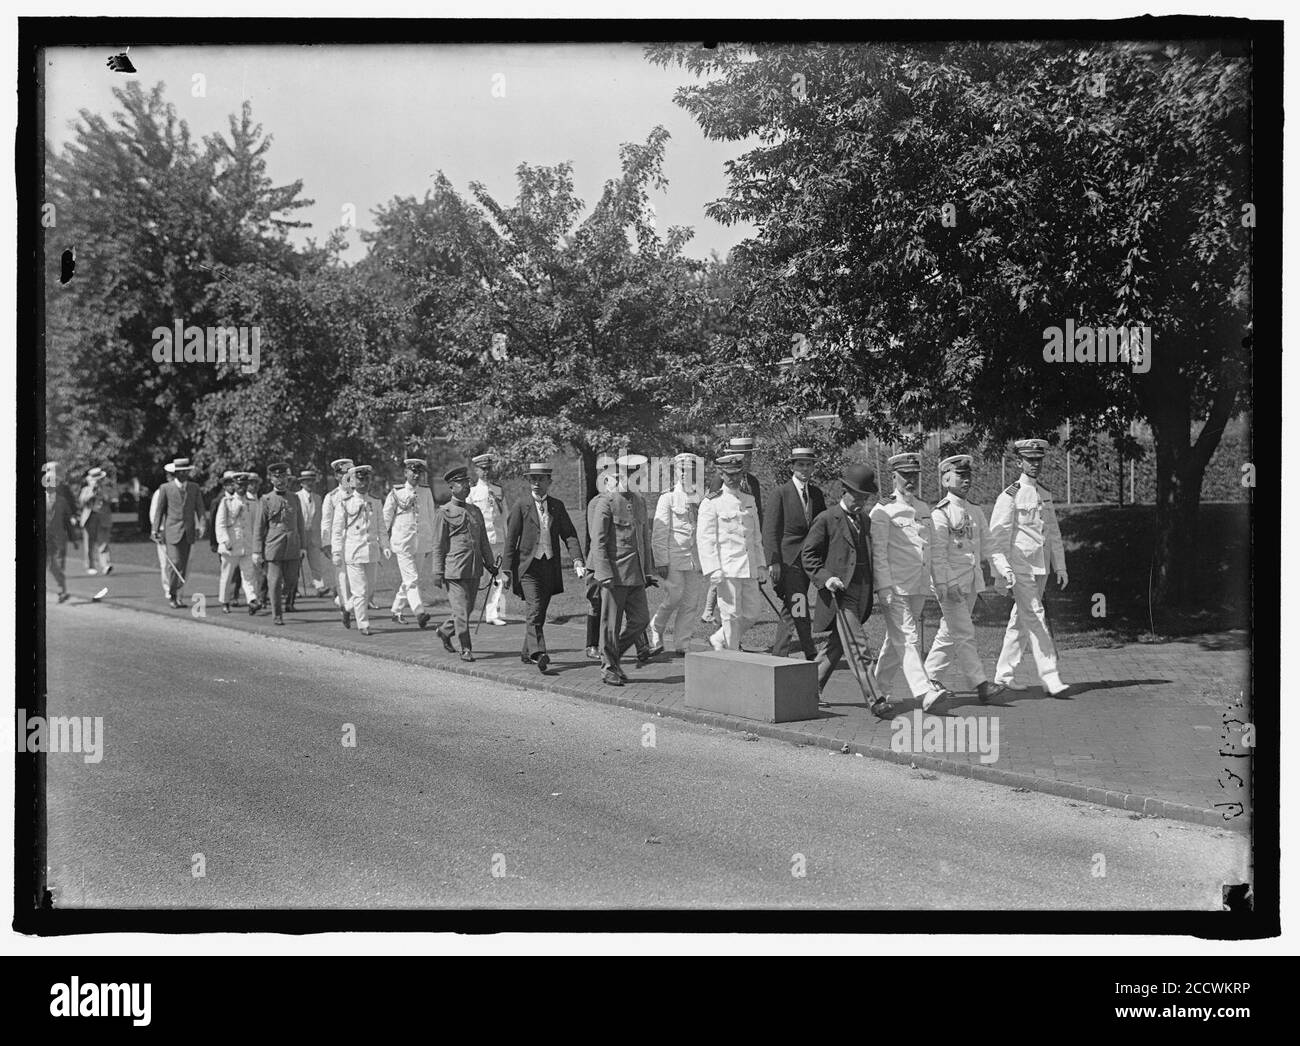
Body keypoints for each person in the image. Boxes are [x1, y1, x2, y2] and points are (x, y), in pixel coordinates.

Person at [801, 463, 893, 716]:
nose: (861, 502)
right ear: (844, 491)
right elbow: (808, 556)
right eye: (857, 496)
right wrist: (826, 578)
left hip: (862, 591)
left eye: (865, 497)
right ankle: (875, 699)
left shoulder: (864, 519)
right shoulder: (827, 519)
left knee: (838, 645)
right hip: (840, 593)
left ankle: (806, 689)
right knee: (857, 645)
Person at [989, 438, 1070, 697]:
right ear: (1019, 462)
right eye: (1030, 459)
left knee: (1020, 619)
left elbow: (1053, 532)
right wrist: (1002, 569)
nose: (1035, 464)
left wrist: (1061, 566)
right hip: (1020, 564)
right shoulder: (1009, 495)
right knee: (1035, 613)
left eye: (1038, 459)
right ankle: (1050, 676)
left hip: (1041, 565)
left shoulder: (1044, 494)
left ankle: (1004, 675)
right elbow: (998, 536)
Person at [870, 452, 950, 711]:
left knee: (896, 641)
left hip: (918, 585)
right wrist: (883, 587)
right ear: (893, 477)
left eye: (914, 475)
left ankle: (877, 688)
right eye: (905, 476)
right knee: (908, 638)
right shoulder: (883, 510)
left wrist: (939, 581)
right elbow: (878, 553)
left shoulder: (924, 508)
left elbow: (933, 549)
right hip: (895, 587)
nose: (910, 481)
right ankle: (924, 691)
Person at [925, 455, 1005, 703]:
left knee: (950, 631)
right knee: (964, 632)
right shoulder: (941, 513)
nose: (966, 480)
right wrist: (947, 584)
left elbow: (990, 545)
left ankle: (929, 677)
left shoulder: (975, 511)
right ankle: (980, 684)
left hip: (970, 581)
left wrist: (1002, 568)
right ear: (946, 478)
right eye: (960, 475)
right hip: (950, 583)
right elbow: (937, 554)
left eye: (968, 475)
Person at [502, 462, 584, 673]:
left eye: (540, 479)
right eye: (532, 479)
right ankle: (539, 653)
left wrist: (577, 560)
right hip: (528, 567)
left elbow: (569, 534)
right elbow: (511, 541)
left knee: (539, 611)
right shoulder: (521, 505)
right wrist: (506, 571)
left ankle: (526, 651)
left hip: (549, 566)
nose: (536, 484)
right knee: (535, 608)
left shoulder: (557, 506)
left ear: (549, 481)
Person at [588, 455, 656, 685]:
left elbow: (643, 540)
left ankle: (612, 658)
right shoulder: (606, 503)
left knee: (641, 620)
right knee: (610, 625)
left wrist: (647, 571)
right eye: (629, 475)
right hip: (614, 575)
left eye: (638, 475)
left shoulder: (639, 502)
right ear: (620, 474)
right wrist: (604, 573)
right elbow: (597, 542)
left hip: (636, 575)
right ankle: (608, 668)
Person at [695, 452, 768, 652]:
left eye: (737, 474)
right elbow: (705, 539)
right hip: (726, 568)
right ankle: (732, 653)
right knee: (730, 614)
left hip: (749, 566)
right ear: (721, 474)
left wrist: (761, 564)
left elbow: (755, 536)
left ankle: (719, 639)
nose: (734, 478)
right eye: (729, 474)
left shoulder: (748, 499)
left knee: (752, 613)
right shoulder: (711, 503)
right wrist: (713, 569)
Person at [763, 446, 826, 660]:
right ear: (792, 466)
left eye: (809, 465)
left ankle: (781, 653)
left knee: (793, 606)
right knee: (798, 602)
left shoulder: (816, 494)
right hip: (788, 562)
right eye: (800, 465)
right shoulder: (780, 493)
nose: (805, 469)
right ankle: (809, 652)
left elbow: (821, 527)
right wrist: (774, 562)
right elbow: (770, 530)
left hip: (809, 560)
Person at [431, 465, 497, 662]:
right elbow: (438, 545)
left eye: (467, 482)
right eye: (461, 483)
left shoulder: (475, 511)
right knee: (461, 612)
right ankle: (466, 648)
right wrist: (437, 571)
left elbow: (483, 541)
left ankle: (444, 631)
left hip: (474, 569)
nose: (466, 486)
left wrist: (491, 564)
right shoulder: (444, 512)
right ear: (452, 487)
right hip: (455, 571)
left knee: (466, 611)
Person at [647, 452, 705, 657]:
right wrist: (661, 560)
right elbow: (659, 532)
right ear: (675, 471)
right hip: (674, 557)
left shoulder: (701, 496)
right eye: (681, 469)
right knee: (674, 597)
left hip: (694, 559)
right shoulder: (668, 497)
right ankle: (656, 628)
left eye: (689, 470)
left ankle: (682, 643)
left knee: (691, 602)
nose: (685, 474)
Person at [330, 464, 390, 635]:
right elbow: (337, 529)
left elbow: (381, 527)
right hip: (354, 552)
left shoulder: (375, 502)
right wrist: (336, 552)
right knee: (360, 591)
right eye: (360, 480)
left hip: (371, 552)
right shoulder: (345, 503)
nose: (364, 483)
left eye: (366, 479)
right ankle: (363, 624)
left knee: (368, 590)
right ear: (352, 482)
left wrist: (385, 545)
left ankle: (347, 608)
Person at [384, 458, 435, 629]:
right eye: (413, 471)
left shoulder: (426, 492)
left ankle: (396, 610)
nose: (416, 475)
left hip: (421, 543)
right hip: (402, 542)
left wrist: (432, 542)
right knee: (412, 579)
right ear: (406, 473)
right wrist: (383, 542)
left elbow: (431, 517)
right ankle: (419, 612)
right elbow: (386, 518)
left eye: (419, 472)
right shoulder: (396, 492)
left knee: (410, 579)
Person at [256, 461, 308, 625]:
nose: (281, 481)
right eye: (277, 477)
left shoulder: (295, 498)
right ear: (271, 479)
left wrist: (303, 547)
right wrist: (257, 551)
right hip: (274, 546)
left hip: (292, 545)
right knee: (275, 581)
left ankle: (283, 595)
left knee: (292, 580)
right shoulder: (266, 499)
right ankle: (277, 614)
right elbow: (259, 527)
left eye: (284, 477)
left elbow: (300, 523)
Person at [151, 456, 205, 608]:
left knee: (183, 565)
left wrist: (202, 526)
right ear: (175, 473)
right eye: (180, 472)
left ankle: (178, 595)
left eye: (186, 472)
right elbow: (159, 512)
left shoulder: (194, 488)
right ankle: (172, 594)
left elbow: (200, 509)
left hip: (188, 532)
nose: (183, 475)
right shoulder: (166, 488)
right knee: (173, 563)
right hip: (172, 531)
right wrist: (155, 529)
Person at [468, 452, 509, 625]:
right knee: (477, 578)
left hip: (498, 539)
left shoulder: (498, 490)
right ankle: (466, 611)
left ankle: (492, 614)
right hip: (480, 542)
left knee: (497, 577)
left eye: (488, 468)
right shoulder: (471, 492)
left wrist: (508, 539)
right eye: (482, 469)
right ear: (476, 470)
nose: (486, 472)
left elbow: (505, 515)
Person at [215, 471, 258, 613]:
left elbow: (255, 524)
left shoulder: (252, 502)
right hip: (231, 544)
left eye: (245, 485)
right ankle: (224, 601)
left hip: (246, 544)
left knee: (248, 574)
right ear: (234, 485)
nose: (242, 488)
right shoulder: (227, 502)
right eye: (239, 485)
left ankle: (252, 600)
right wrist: (224, 540)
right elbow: (220, 523)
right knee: (227, 576)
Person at [321, 458, 355, 623]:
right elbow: (326, 523)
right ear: (336, 476)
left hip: (357, 542)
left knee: (358, 578)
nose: (347, 476)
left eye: (350, 472)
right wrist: (326, 544)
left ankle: (344, 602)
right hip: (339, 542)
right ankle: (344, 606)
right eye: (343, 473)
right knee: (342, 576)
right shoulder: (332, 497)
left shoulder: (358, 493)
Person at [43, 462, 78, 602]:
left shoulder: (62, 501)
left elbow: (68, 522)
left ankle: (61, 590)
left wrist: (74, 539)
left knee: (54, 565)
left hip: (58, 538)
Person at [297, 467, 330, 599]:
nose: (309, 483)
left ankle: (319, 586)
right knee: (296, 565)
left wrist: (322, 537)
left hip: (314, 536)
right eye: (306, 481)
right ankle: (294, 589)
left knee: (316, 563)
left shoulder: (317, 498)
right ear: (301, 483)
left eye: (311, 481)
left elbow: (320, 517)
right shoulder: (296, 497)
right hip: (301, 535)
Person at [79, 466, 116, 576]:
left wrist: (101, 493)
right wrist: (91, 493)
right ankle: (90, 566)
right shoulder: (86, 490)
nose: (98, 481)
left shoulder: (105, 489)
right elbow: (82, 502)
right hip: (90, 517)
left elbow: (110, 499)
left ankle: (105, 565)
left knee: (103, 541)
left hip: (103, 517)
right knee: (89, 543)